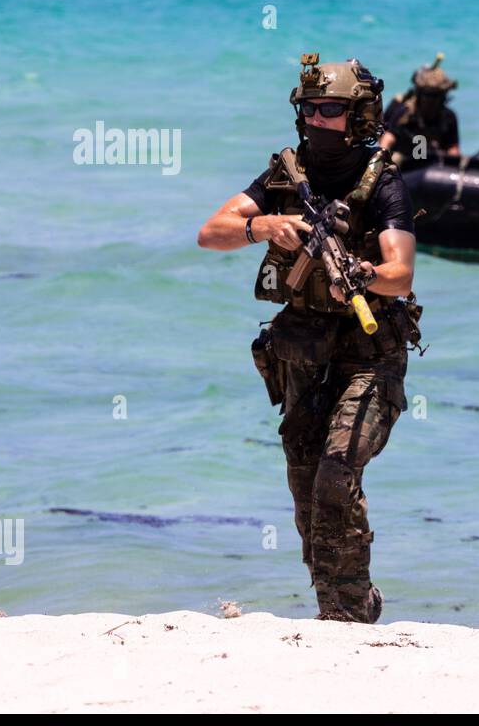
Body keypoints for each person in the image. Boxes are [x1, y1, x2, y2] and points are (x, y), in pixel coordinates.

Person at [197, 52, 423, 623]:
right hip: (302, 356)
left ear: (360, 116)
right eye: (311, 109)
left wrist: (362, 273)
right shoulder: (282, 176)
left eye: (332, 110)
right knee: (306, 495)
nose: (319, 120)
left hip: (371, 358)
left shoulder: (382, 184)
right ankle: (340, 608)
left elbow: (401, 274)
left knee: (336, 471)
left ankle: (352, 609)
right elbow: (210, 232)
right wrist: (263, 227)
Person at [378, 52, 461, 170]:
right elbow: (387, 140)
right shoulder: (406, 113)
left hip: (432, 164)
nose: (431, 101)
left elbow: (453, 149)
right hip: (404, 160)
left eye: (436, 96)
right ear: (419, 94)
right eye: (428, 95)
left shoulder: (448, 117)